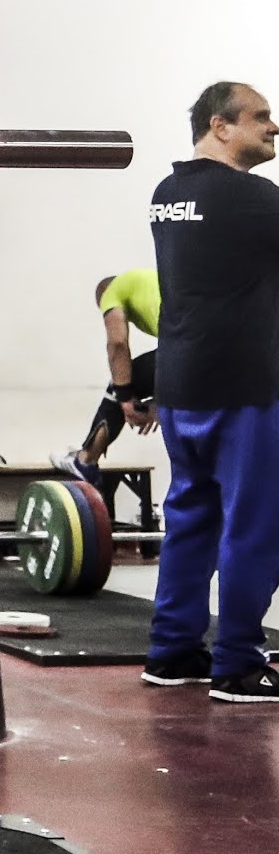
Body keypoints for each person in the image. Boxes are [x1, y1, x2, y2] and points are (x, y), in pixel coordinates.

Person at [142, 81, 279, 701]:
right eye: (261, 118)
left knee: (192, 518)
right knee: (254, 524)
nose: (273, 128)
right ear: (220, 126)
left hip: (181, 386)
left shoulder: (166, 194)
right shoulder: (253, 199)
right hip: (244, 386)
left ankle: (171, 654)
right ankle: (239, 664)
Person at [54, 268, 160, 485]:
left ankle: (85, 461)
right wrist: (163, 402)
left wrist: (125, 398)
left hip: (196, 350)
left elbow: (117, 344)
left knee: (122, 383)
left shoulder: (112, 291)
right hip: (221, 351)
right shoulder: (149, 283)